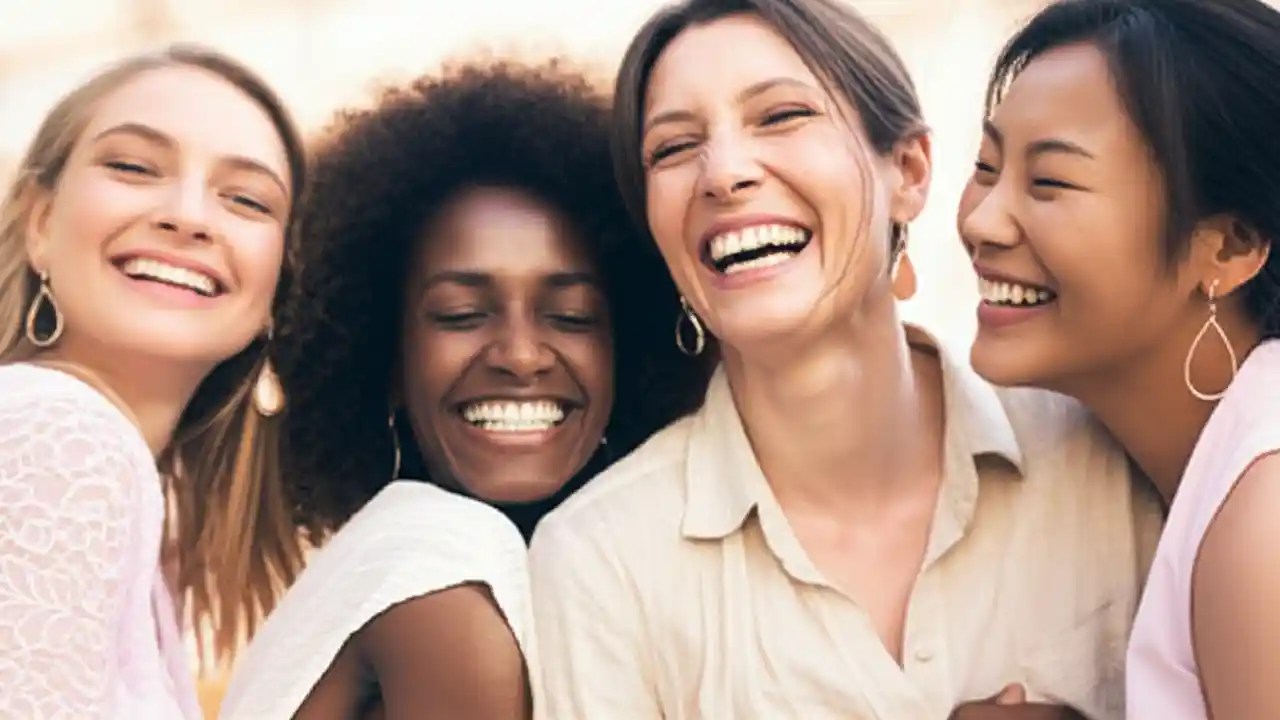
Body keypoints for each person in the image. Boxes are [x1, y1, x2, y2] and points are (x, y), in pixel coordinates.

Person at [527, 1, 1163, 718]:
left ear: (910, 171)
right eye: (674, 149)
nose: (723, 173)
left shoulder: (1107, 452)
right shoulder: (598, 561)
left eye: (780, 116)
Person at [218, 60, 709, 719]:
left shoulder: (402, 555)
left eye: (570, 317)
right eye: (460, 315)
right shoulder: (443, 563)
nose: (520, 355)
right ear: (387, 361)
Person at [956, 1, 1280, 717]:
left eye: (1050, 183)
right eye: (985, 167)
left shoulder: (1265, 523)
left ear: (1226, 246)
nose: (979, 220)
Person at [0, 45, 306, 718]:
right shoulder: (63, 437)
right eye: (134, 167)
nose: (189, 216)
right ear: (42, 222)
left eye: (247, 199)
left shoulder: (112, 473)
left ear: (280, 283)